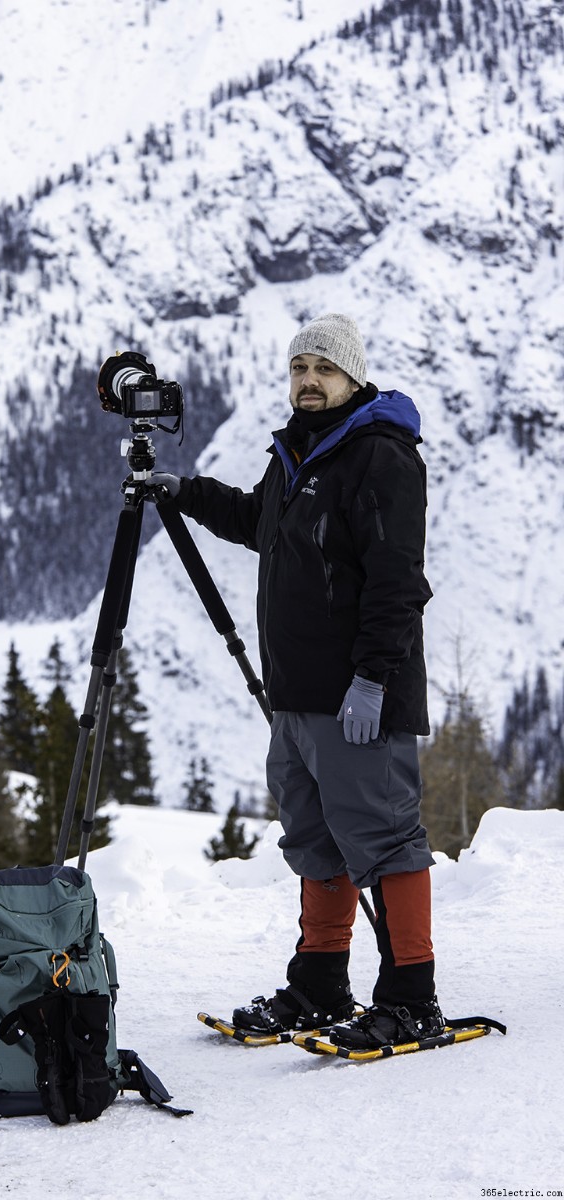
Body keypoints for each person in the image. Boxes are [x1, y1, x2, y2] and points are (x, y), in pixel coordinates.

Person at [150, 313, 443, 1050]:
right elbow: (259, 523)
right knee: (315, 840)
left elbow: (396, 580)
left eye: (323, 369)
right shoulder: (298, 455)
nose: (308, 381)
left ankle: (413, 995)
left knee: (384, 840)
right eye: (299, 368)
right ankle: (320, 983)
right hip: (298, 695)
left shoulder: (381, 456)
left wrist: (372, 679)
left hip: (358, 699)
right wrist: (184, 490)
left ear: (352, 378)